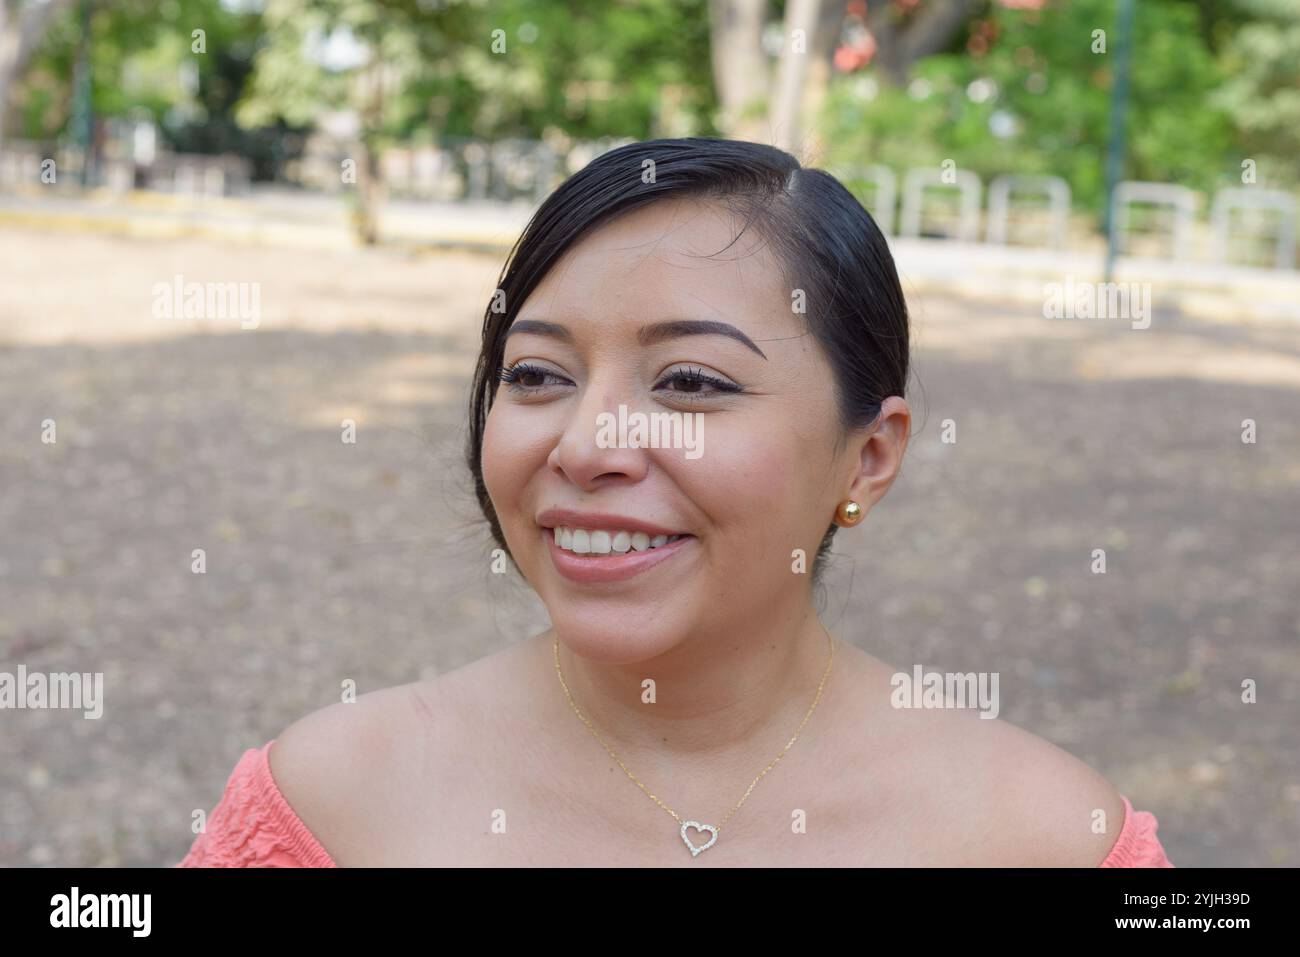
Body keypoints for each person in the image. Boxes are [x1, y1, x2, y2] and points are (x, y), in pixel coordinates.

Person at [178, 137, 1172, 867]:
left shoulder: (1051, 839)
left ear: (868, 456)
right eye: (535, 375)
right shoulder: (328, 807)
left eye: (689, 383)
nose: (585, 446)